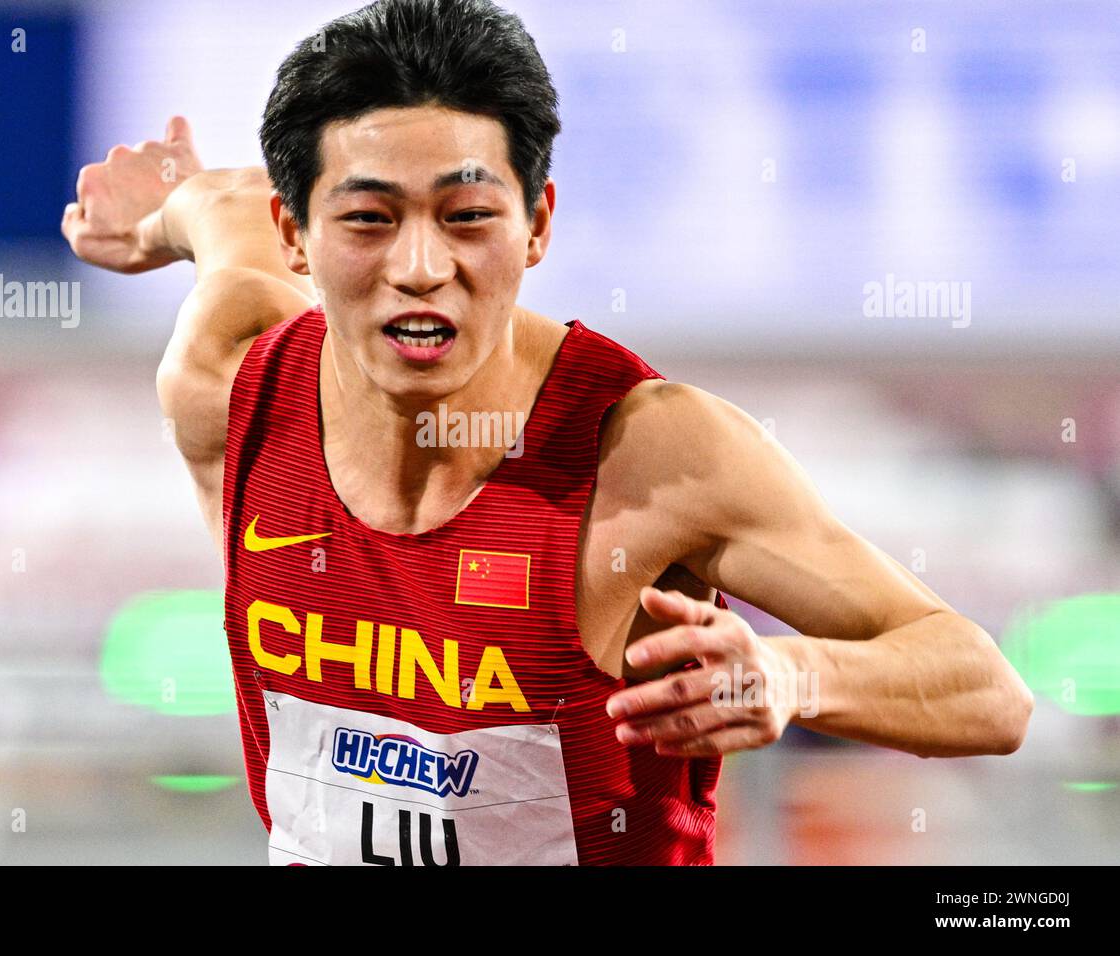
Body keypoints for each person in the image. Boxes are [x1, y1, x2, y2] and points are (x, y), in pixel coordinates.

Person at [61, 0, 1033, 865]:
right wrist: (155, 217)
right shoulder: (228, 380)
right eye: (367, 217)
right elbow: (223, 209)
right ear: (296, 236)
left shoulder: (652, 455)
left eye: (468, 215)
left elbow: (987, 690)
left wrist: (792, 671)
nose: (420, 266)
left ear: (537, 225)